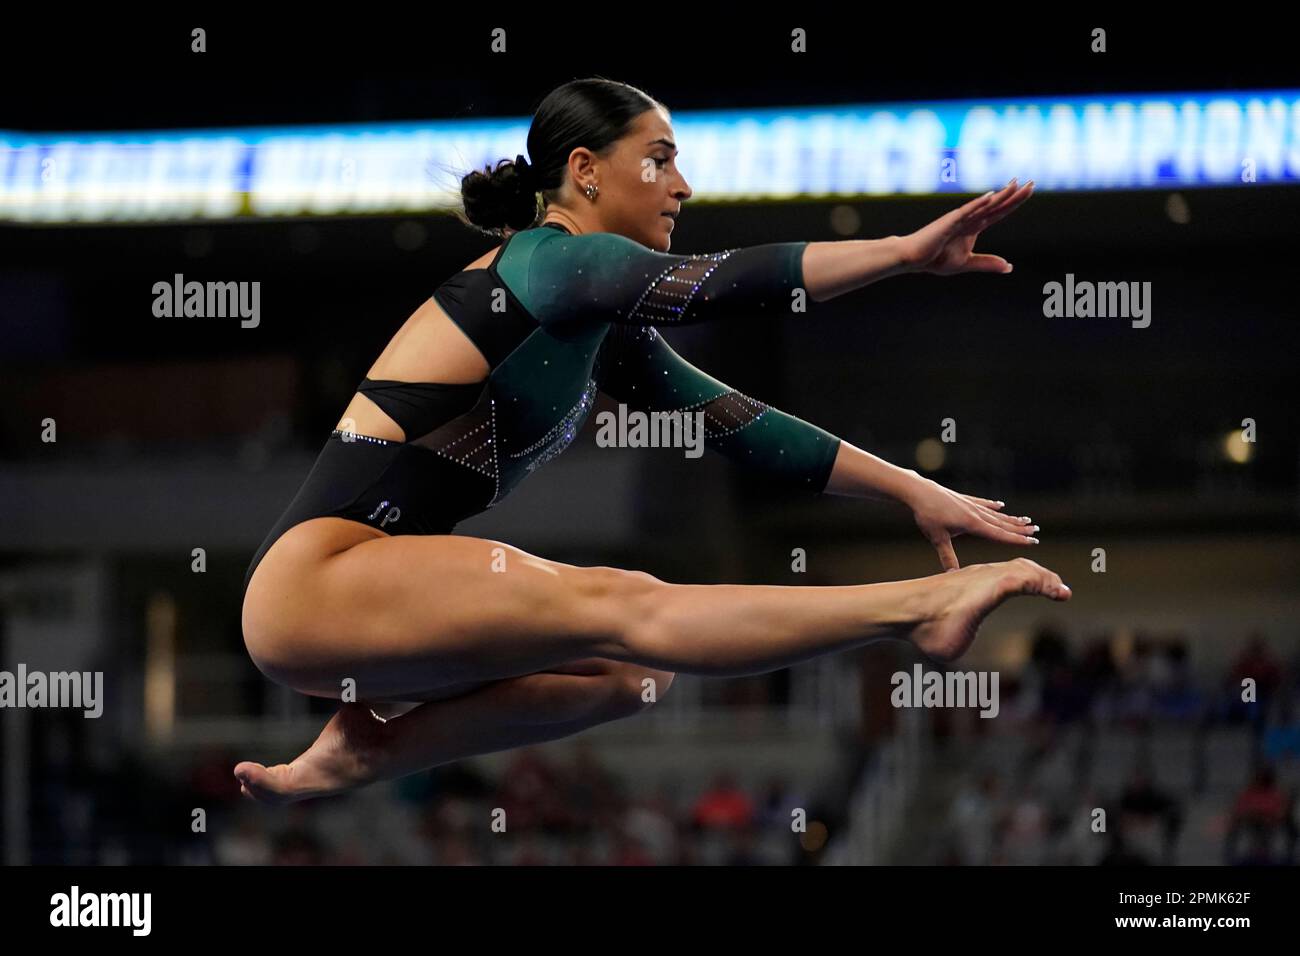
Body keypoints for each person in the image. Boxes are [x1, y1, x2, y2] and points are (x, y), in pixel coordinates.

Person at [235, 78, 1069, 804]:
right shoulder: (546, 265)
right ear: (585, 172)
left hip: (359, 612)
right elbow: (707, 286)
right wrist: (901, 253)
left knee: (630, 676)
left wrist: (910, 489)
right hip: (318, 582)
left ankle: (369, 749)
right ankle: (914, 609)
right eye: (660, 159)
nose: (683, 184)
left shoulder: (596, 320)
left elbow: (741, 423)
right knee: (626, 602)